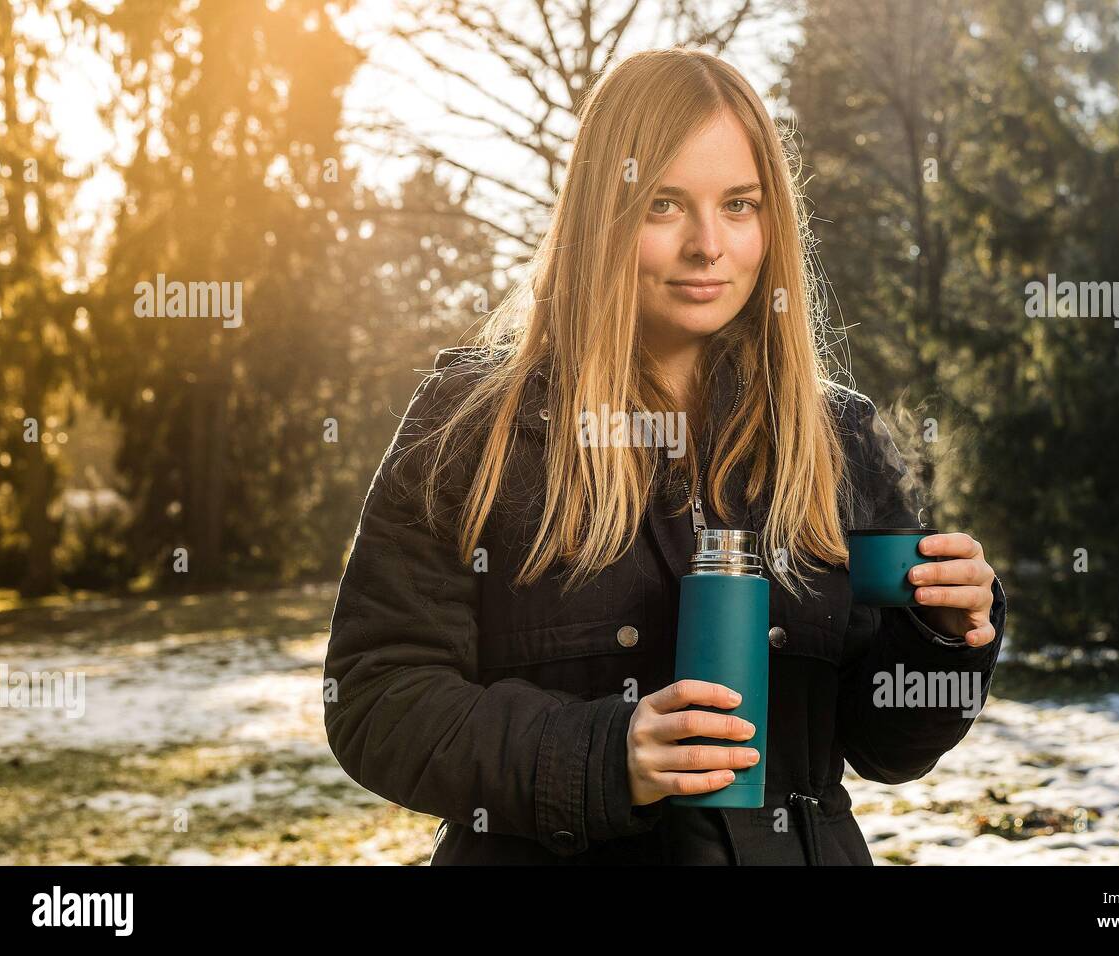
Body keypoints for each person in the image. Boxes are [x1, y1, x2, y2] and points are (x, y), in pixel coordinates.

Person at [323, 47, 1008, 865]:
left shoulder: (839, 443)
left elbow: (890, 747)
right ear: (602, 216)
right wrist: (607, 759)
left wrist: (944, 639)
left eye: (741, 205)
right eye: (665, 205)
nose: (709, 245)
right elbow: (377, 700)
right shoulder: (477, 427)